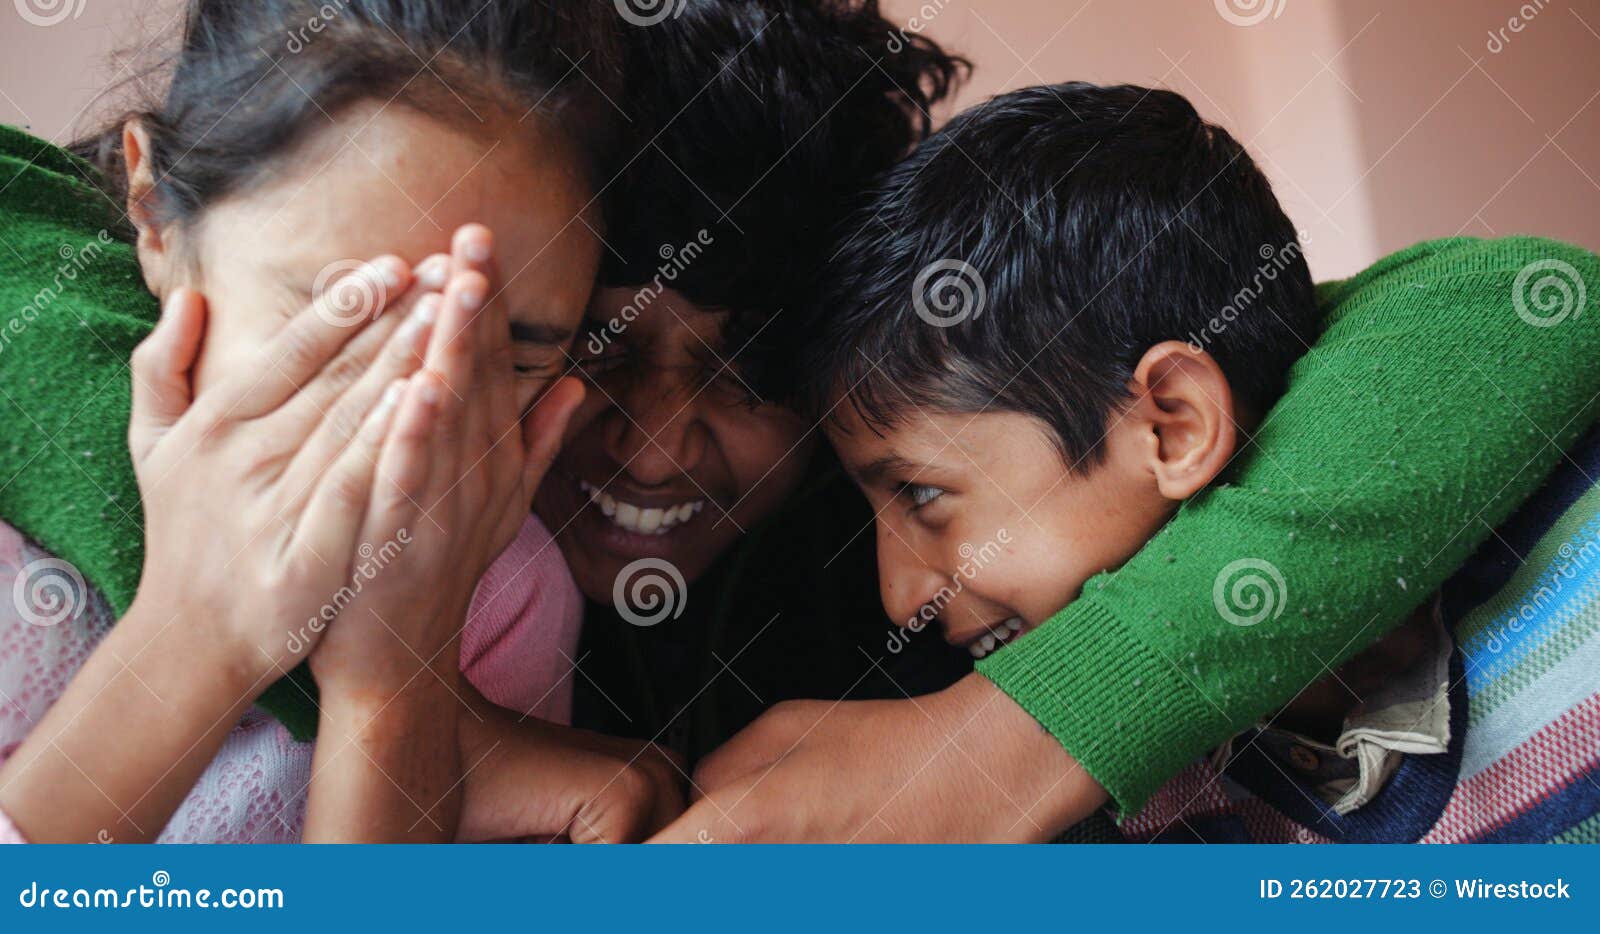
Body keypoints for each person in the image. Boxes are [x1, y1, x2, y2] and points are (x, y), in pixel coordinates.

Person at [651, 82, 1600, 842]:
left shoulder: (1572, 549)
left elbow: (1509, 301)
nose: (901, 597)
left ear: (1174, 425)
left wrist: (1007, 736)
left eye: (927, 496)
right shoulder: (1147, 822)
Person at [0, 0, 677, 844]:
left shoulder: (510, 601)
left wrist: (398, 683)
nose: (414, 419)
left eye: (510, 357)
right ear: (156, 216)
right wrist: (202, 637)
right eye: (345, 317)